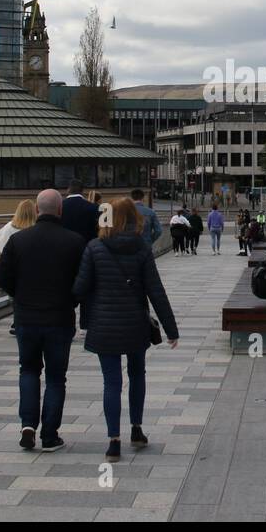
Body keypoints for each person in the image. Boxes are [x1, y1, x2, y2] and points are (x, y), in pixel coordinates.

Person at [72, 197, 180, 463]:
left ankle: (113, 442)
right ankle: (136, 429)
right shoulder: (141, 248)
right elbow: (156, 291)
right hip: (135, 325)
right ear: (134, 218)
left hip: (104, 325)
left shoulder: (94, 248)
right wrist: (171, 329)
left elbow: (79, 289)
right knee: (137, 375)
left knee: (112, 382)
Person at [0, 189, 86, 452]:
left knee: (29, 370)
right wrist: (72, 299)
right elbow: (84, 280)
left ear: (36, 209)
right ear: (60, 211)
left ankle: (27, 425)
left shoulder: (19, 241)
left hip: (26, 318)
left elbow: (0, 276)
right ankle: (50, 435)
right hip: (59, 318)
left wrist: (19, 294)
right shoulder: (74, 242)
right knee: (56, 378)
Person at [0, 199, 38, 336]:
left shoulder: (9, 227)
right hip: (33, 268)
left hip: (15, 268)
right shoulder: (36, 227)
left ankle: (18, 321)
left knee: (18, 296)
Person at [60, 179, 100, 244]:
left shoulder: (59, 207)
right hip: (86, 246)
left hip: (64, 245)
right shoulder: (93, 207)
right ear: (82, 191)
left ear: (68, 190)